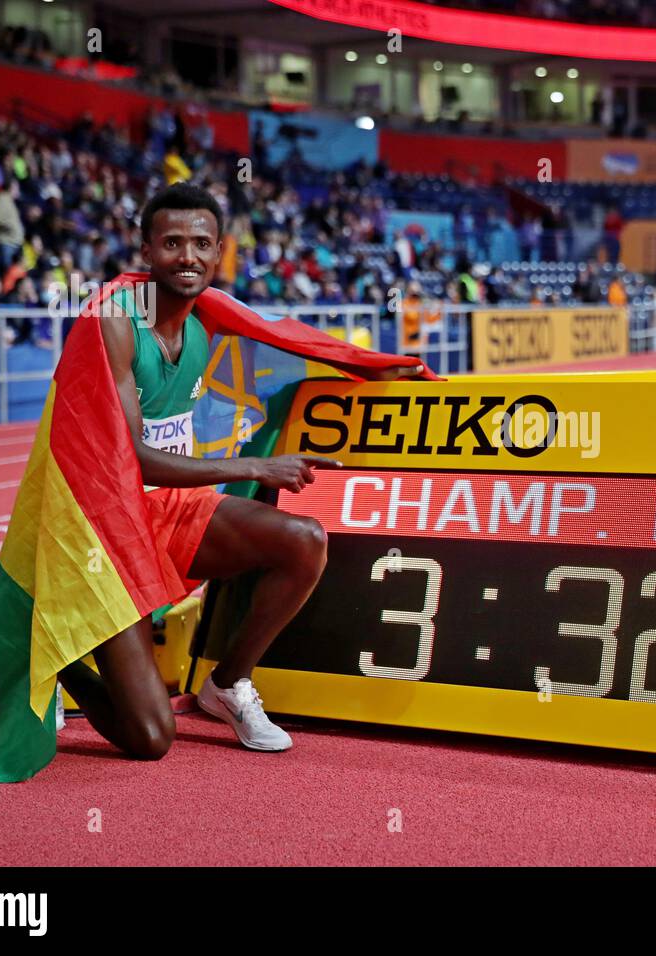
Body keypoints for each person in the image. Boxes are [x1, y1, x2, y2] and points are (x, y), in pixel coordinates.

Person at [58, 184, 420, 759]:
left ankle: (227, 684)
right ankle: (58, 659)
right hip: (107, 529)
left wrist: (375, 369)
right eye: (172, 242)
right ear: (146, 250)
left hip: (172, 509)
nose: (188, 256)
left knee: (303, 541)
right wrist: (256, 466)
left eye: (201, 243)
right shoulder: (115, 323)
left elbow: (284, 335)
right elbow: (132, 462)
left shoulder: (207, 316)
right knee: (150, 740)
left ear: (220, 249)